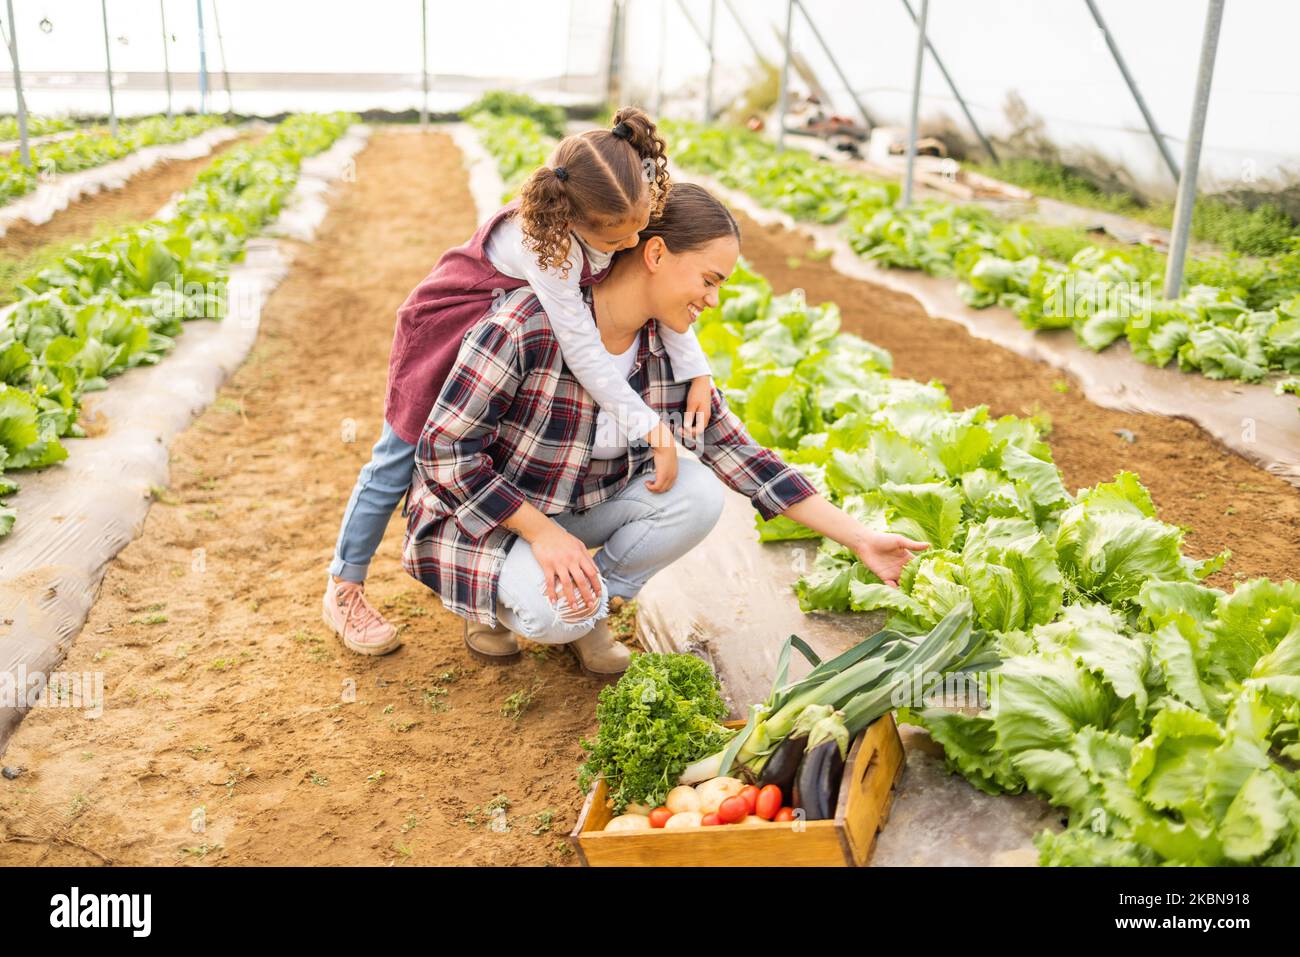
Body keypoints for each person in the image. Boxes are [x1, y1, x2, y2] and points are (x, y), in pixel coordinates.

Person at [402, 184, 928, 677]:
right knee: (556, 614)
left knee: (695, 495)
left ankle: (589, 604)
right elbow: (445, 455)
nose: (713, 300)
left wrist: (861, 539)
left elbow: (745, 459)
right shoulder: (526, 325)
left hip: (572, 509)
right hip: (484, 520)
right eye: (709, 280)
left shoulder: (668, 352)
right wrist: (542, 534)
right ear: (655, 255)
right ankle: (496, 601)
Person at [323, 107, 715, 655]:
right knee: (401, 455)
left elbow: (659, 293)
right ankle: (345, 586)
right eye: (616, 237)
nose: (631, 245)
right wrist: (649, 426)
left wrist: (696, 367)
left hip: (504, 336)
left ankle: (548, 593)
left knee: (501, 446)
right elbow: (581, 348)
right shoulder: (543, 248)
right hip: (449, 328)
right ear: (573, 222)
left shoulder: (627, 193)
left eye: (637, 229)